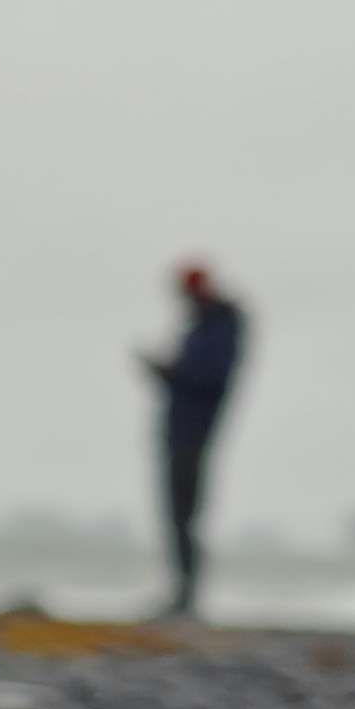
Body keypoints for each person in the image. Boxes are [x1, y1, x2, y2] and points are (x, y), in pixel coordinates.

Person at [136, 264, 245, 618]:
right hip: (181, 430)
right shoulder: (202, 326)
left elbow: (209, 379)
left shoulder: (219, 326)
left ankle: (187, 599)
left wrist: (168, 371)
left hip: (194, 432)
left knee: (185, 515)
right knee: (177, 515)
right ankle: (182, 595)